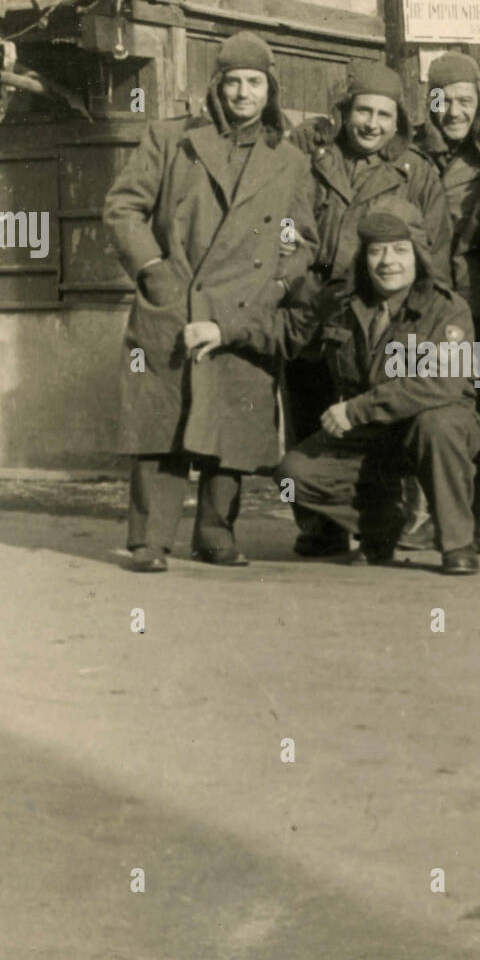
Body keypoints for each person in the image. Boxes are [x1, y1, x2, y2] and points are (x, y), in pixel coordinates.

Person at [103, 30, 317, 573]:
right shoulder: (171, 138)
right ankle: (150, 540)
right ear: (216, 85)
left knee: (234, 421)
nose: (243, 93)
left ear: (270, 90)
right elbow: (123, 208)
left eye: (255, 82)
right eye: (233, 82)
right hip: (175, 301)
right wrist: (153, 272)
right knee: (162, 425)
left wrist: (273, 288)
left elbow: (299, 240)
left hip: (243, 310)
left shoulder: (289, 161)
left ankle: (216, 532)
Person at [184, 209, 480, 576]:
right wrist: (223, 330)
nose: (388, 262)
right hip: (372, 432)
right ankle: (381, 527)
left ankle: (457, 543)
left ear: (418, 255)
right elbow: (288, 328)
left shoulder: (448, 308)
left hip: (431, 427)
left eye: (399, 250)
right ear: (364, 257)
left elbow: (445, 382)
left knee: (438, 425)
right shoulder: (343, 301)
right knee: (293, 474)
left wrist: (357, 410)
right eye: (377, 252)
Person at [284, 61, 453, 558]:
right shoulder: (310, 156)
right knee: (307, 418)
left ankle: (383, 519)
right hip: (312, 310)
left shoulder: (415, 173)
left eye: (385, 114)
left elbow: (435, 252)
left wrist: (421, 318)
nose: (372, 124)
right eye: (363, 111)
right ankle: (321, 527)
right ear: (344, 111)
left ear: (398, 121)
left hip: (380, 320)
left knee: (377, 421)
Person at [405, 51, 480, 552]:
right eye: (443, 99)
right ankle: (415, 512)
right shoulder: (406, 154)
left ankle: (470, 516)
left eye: (465, 100)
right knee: (421, 401)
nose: (453, 111)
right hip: (420, 305)